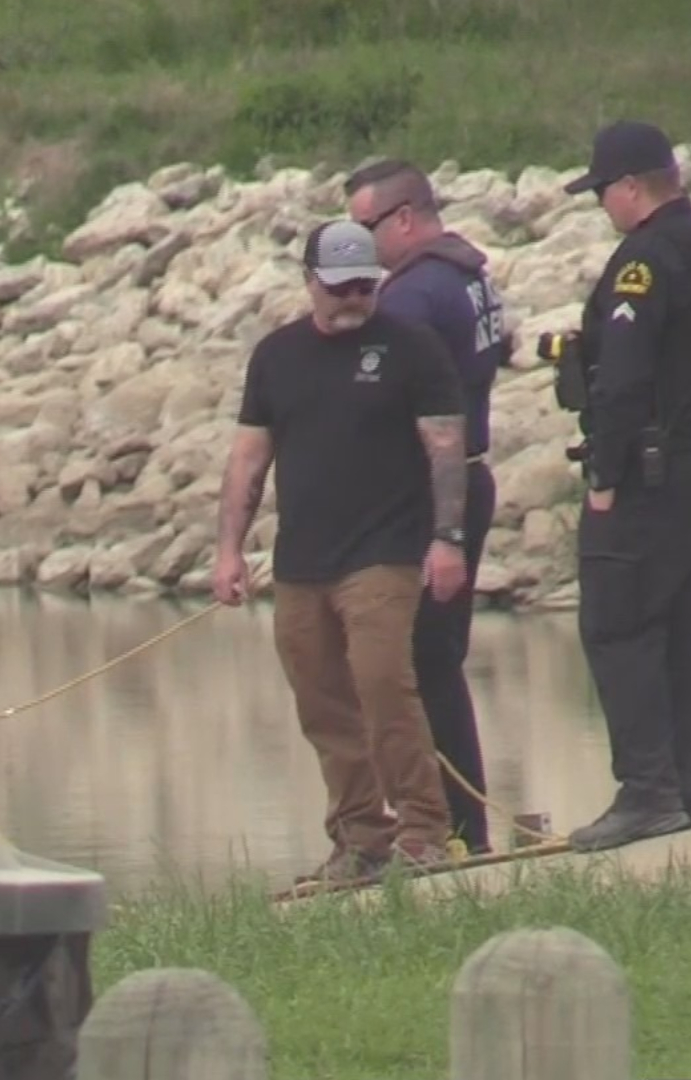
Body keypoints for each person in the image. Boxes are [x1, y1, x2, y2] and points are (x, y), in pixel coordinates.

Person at [212, 219, 471, 884]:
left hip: (384, 553)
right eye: (341, 287)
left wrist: (447, 539)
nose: (354, 298)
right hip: (302, 562)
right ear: (310, 283)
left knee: (385, 684)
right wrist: (229, 551)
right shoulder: (276, 357)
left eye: (365, 285)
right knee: (321, 702)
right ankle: (361, 836)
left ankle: (424, 830)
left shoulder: (413, 349)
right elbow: (248, 458)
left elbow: (446, 449)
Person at [555, 120, 691, 852]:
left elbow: (628, 377)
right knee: (682, 622)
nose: (601, 205)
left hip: (651, 469)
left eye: (603, 191)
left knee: (617, 622)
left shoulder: (644, 258)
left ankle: (647, 791)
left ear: (632, 187)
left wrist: (604, 476)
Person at [345, 159, 513, 857]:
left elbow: (374, 402)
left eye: (364, 229)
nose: (357, 247)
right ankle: (457, 824)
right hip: (469, 477)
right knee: (437, 662)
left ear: (405, 218)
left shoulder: (412, 298)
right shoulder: (469, 274)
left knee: (415, 666)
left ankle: (449, 827)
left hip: (429, 496)